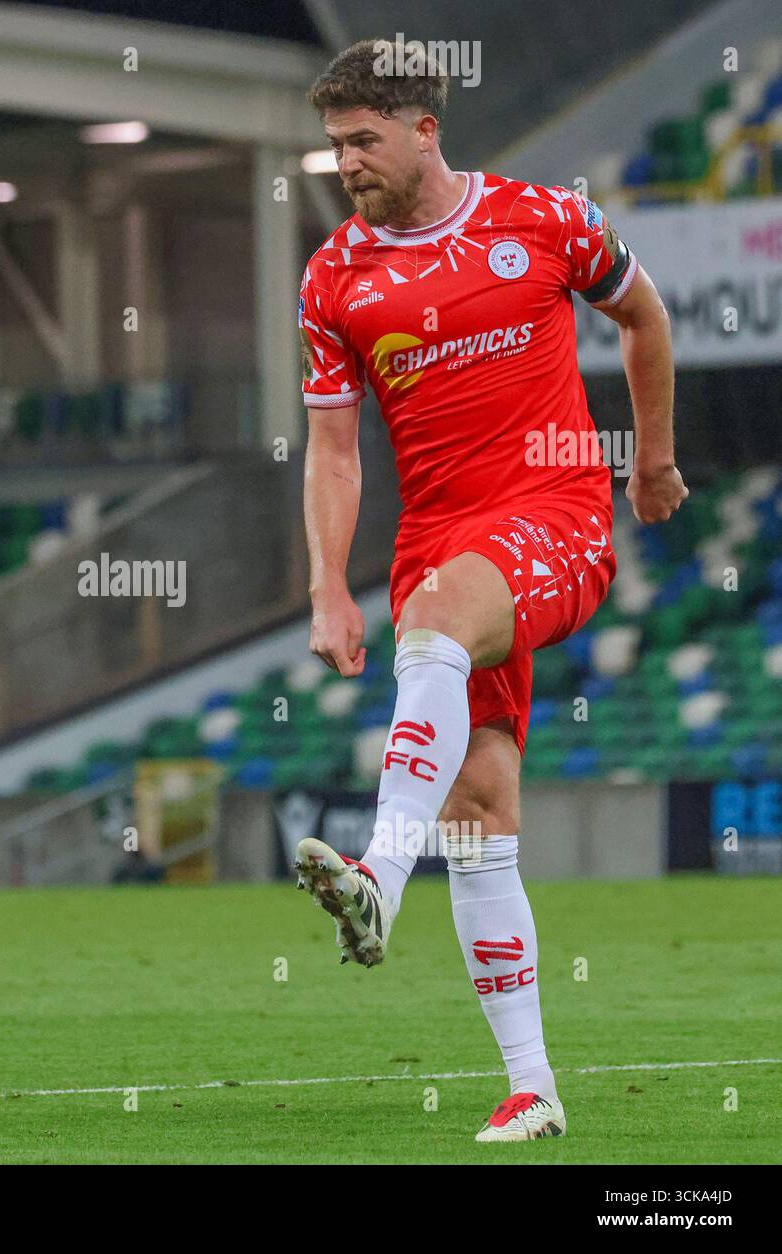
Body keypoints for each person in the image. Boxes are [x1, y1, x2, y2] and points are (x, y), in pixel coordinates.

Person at [294, 39, 686, 1143]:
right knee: (477, 813)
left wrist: (649, 464)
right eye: (332, 145)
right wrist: (327, 585)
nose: (345, 163)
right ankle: (533, 1088)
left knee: (430, 623)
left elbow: (644, 319)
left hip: (556, 514)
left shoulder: (546, 220)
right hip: (437, 539)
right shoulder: (334, 277)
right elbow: (332, 454)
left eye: (362, 140)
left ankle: (377, 869)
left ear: (424, 128)